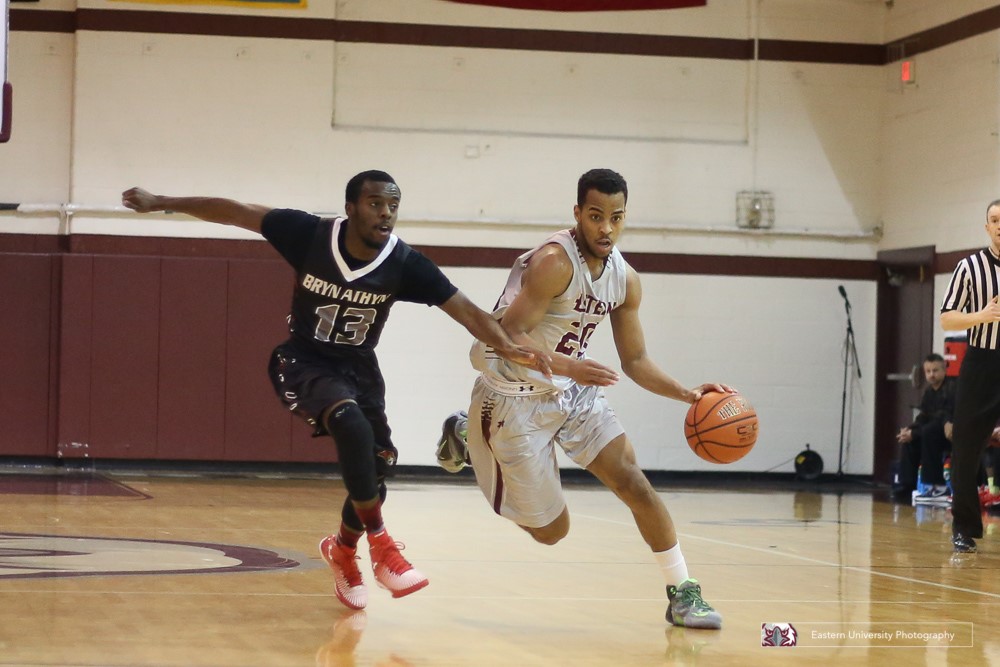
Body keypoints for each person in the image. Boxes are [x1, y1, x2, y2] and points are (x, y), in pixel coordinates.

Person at [121, 171, 550, 609]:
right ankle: (382, 546)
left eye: (393, 206)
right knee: (351, 425)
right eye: (375, 204)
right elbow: (236, 212)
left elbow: (467, 312)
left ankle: (343, 550)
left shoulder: (404, 262)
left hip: (360, 370)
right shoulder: (308, 234)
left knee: (377, 469)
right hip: (305, 362)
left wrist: (510, 349)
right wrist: (161, 201)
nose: (386, 214)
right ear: (350, 208)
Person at [453, 168, 730, 629]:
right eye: (596, 216)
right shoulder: (554, 263)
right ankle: (468, 436)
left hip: (572, 391)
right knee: (551, 532)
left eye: (616, 218)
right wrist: (570, 367)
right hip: (512, 398)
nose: (606, 228)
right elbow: (511, 333)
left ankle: (683, 593)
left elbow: (635, 360)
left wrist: (688, 394)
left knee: (633, 481)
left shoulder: (626, 279)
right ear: (578, 213)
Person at [940, 197, 1000, 553]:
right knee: (965, 448)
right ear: (987, 226)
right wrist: (982, 316)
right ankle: (964, 527)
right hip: (982, 363)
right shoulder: (970, 267)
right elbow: (947, 318)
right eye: (995, 220)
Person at [894, 353, 956, 503]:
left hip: (951, 433)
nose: (931, 375)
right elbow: (923, 416)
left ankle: (937, 486)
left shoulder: (953, 388)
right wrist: (910, 430)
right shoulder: (928, 392)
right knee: (909, 439)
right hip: (933, 431)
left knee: (928, 432)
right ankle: (907, 484)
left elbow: (944, 416)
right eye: (928, 371)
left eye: (935, 370)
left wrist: (916, 433)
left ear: (944, 370)